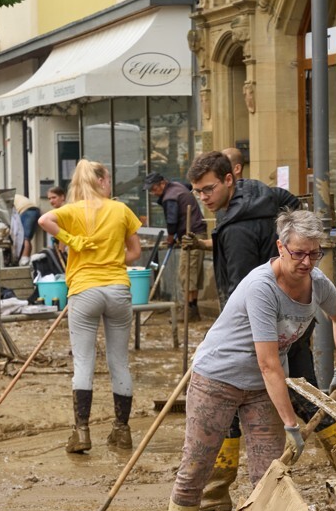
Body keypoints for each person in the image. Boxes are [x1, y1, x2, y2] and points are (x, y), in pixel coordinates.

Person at [155, 210, 336, 511]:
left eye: (315, 254)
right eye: (298, 254)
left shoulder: (316, 281)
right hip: (218, 379)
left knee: (270, 478)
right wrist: (292, 424)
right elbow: (267, 362)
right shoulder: (261, 287)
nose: (307, 263)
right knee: (196, 467)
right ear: (281, 247)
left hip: (262, 388)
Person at [187, 151, 336, 511]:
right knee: (307, 390)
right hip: (292, 321)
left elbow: (238, 288)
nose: (203, 198)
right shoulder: (273, 198)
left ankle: (216, 492)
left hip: (263, 328)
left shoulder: (233, 229)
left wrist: (226, 329)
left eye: (207, 189)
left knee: (240, 407)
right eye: (198, 192)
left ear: (230, 179)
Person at [39, 160, 142, 453]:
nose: (109, 183)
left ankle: (81, 433)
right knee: (119, 362)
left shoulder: (71, 211)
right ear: (100, 181)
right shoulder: (121, 210)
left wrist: (73, 241)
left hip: (84, 291)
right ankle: (122, 431)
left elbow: (44, 221)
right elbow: (135, 251)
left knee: (84, 362)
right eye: (108, 178)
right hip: (117, 289)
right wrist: (110, 260)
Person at [144, 172, 207, 320]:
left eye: (154, 189)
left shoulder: (169, 197)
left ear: (162, 184)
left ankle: (187, 311)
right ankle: (192, 309)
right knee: (191, 274)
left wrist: (171, 237)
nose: (153, 193)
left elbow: (171, 221)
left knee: (187, 274)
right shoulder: (178, 187)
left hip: (192, 236)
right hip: (195, 232)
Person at [13, 193, 41, 266]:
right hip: (33, 210)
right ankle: (25, 258)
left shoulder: (2, 198)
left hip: (26, 210)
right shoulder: (13, 195)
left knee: (25, 237)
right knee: (27, 237)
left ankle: (24, 259)